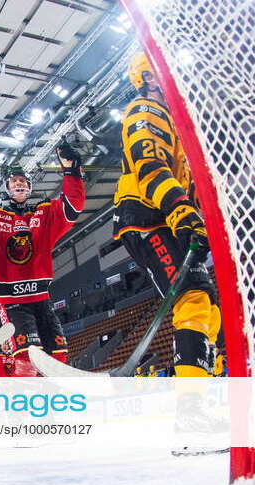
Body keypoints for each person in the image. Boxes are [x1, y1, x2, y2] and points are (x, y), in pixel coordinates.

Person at [113, 52, 221, 377]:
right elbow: (150, 169)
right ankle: (190, 400)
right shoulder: (145, 111)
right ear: (148, 77)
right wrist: (183, 214)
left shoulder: (177, 124)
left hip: (167, 217)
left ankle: (205, 380)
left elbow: (189, 187)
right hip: (146, 216)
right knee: (193, 297)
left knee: (209, 305)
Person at [0, 148, 86, 376]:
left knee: (58, 358)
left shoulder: (44, 213)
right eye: (14, 180)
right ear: (7, 187)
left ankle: (52, 398)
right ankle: (22, 400)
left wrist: (71, 172)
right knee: (26, 361)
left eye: (23, 180)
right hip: (12, 301)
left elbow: (73, 207)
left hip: (41, 299)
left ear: (30, 186)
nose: (19, 183)